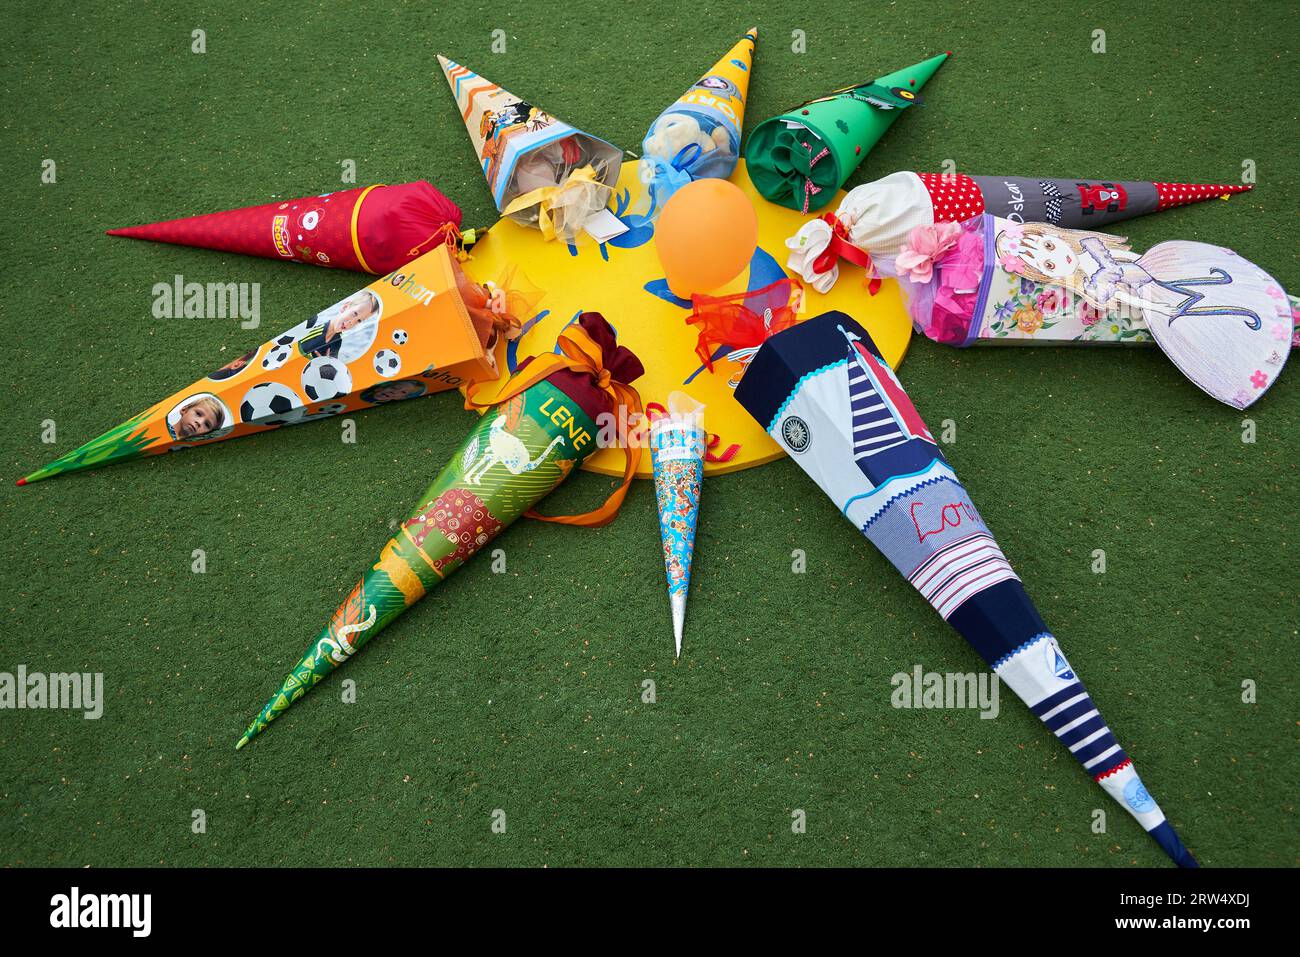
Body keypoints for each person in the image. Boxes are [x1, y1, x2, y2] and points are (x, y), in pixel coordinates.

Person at [296, 291, 380, 358]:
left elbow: (331, 365)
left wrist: (326, 363)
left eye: (359, 320)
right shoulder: (316, 325)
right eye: (355, 313)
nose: (352, 322)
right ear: (345, 307)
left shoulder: (337, 342)